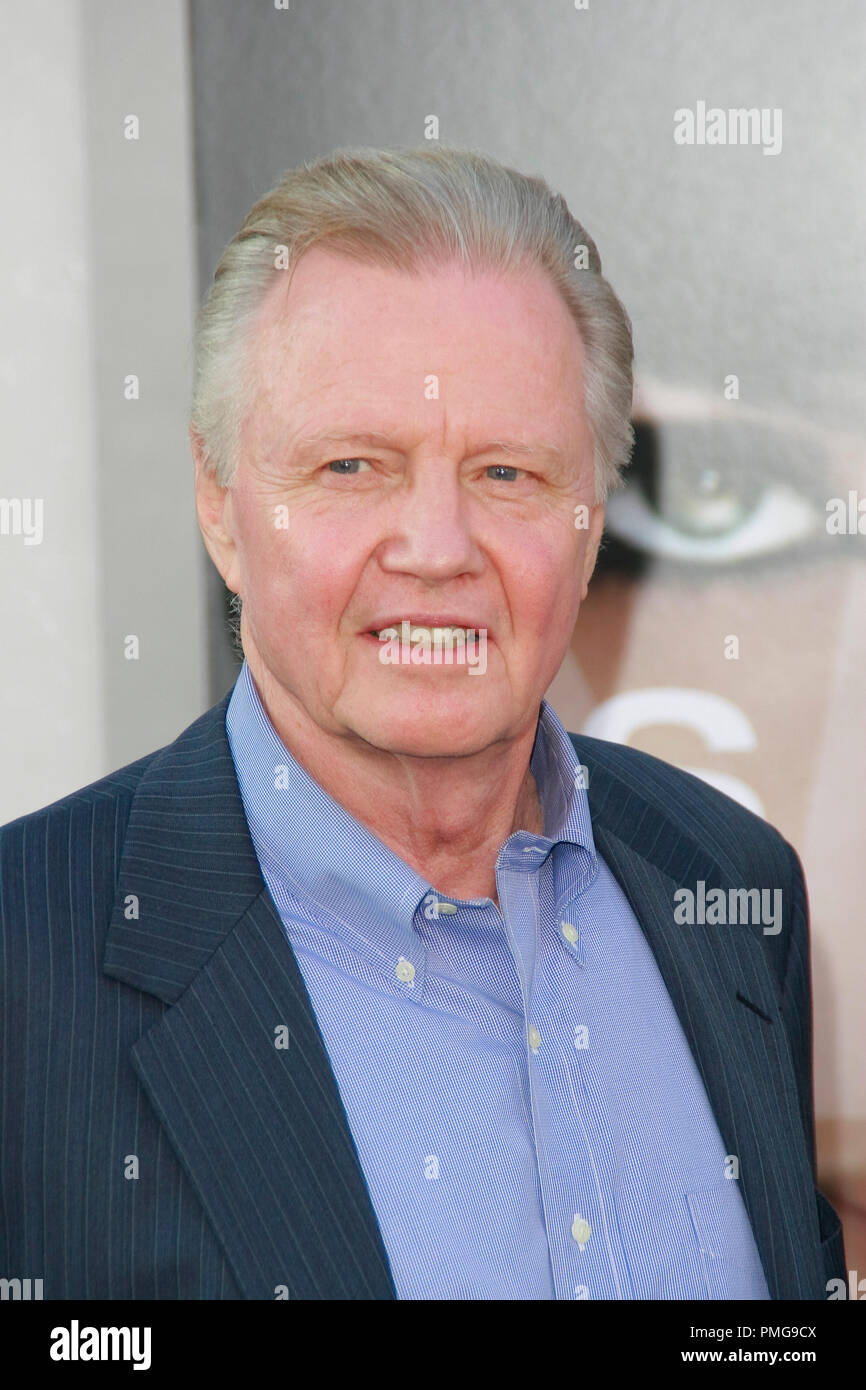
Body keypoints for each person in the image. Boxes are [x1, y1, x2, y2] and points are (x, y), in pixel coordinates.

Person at [0, 146, 844, 1299]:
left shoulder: (727, 887)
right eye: (352, 465)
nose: (437, 548)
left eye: (506, 473)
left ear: (592, 518)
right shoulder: (23, 962)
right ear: (220, 505)